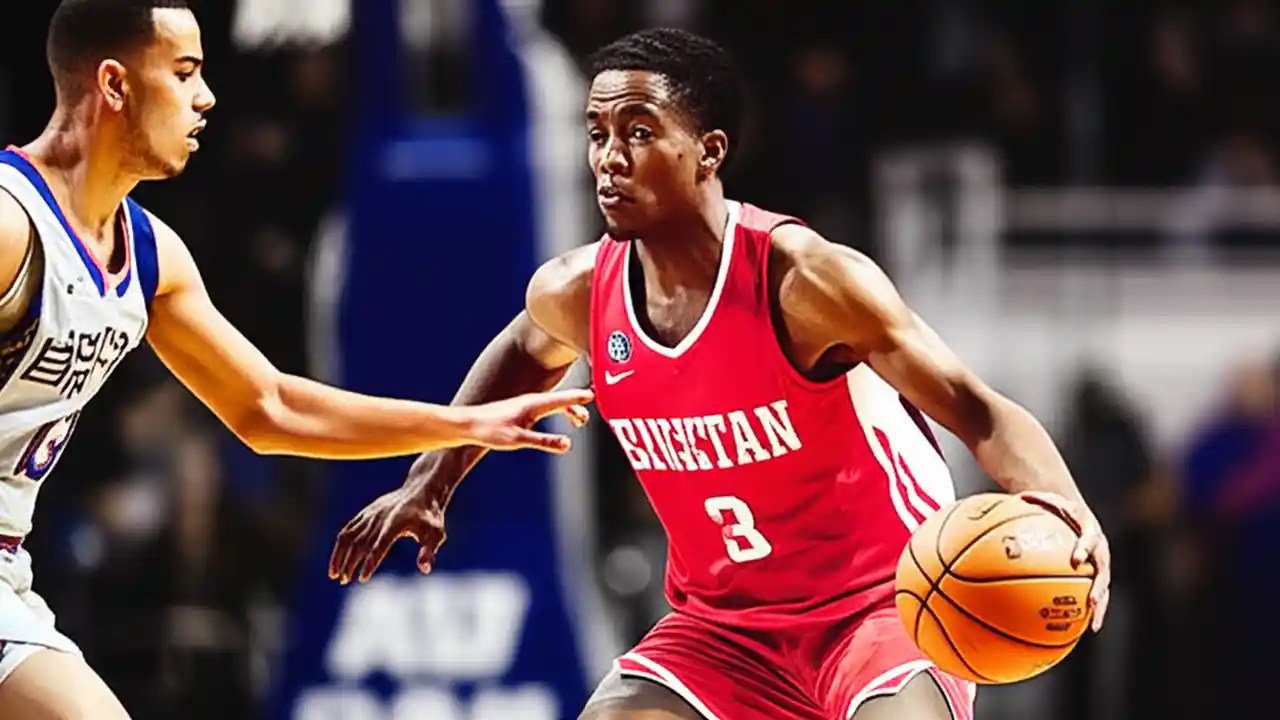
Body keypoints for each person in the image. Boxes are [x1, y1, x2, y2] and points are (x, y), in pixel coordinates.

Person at [330, 28, 1112, 720]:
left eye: (639, 131)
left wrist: (1069, 511)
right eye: (597, 132)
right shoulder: (577, 292)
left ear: (709, 151)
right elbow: (515, 354)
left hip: (880, 608)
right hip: (721, 628)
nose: (609, 156)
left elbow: (979, 412)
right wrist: (429, 484)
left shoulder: (806, 283)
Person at [0, 1, 593, 718]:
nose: (205, 96)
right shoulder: (11, 223)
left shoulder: (153, 257)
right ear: (115, 85)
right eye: (184, 73)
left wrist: (464, 424)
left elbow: (269, 407)